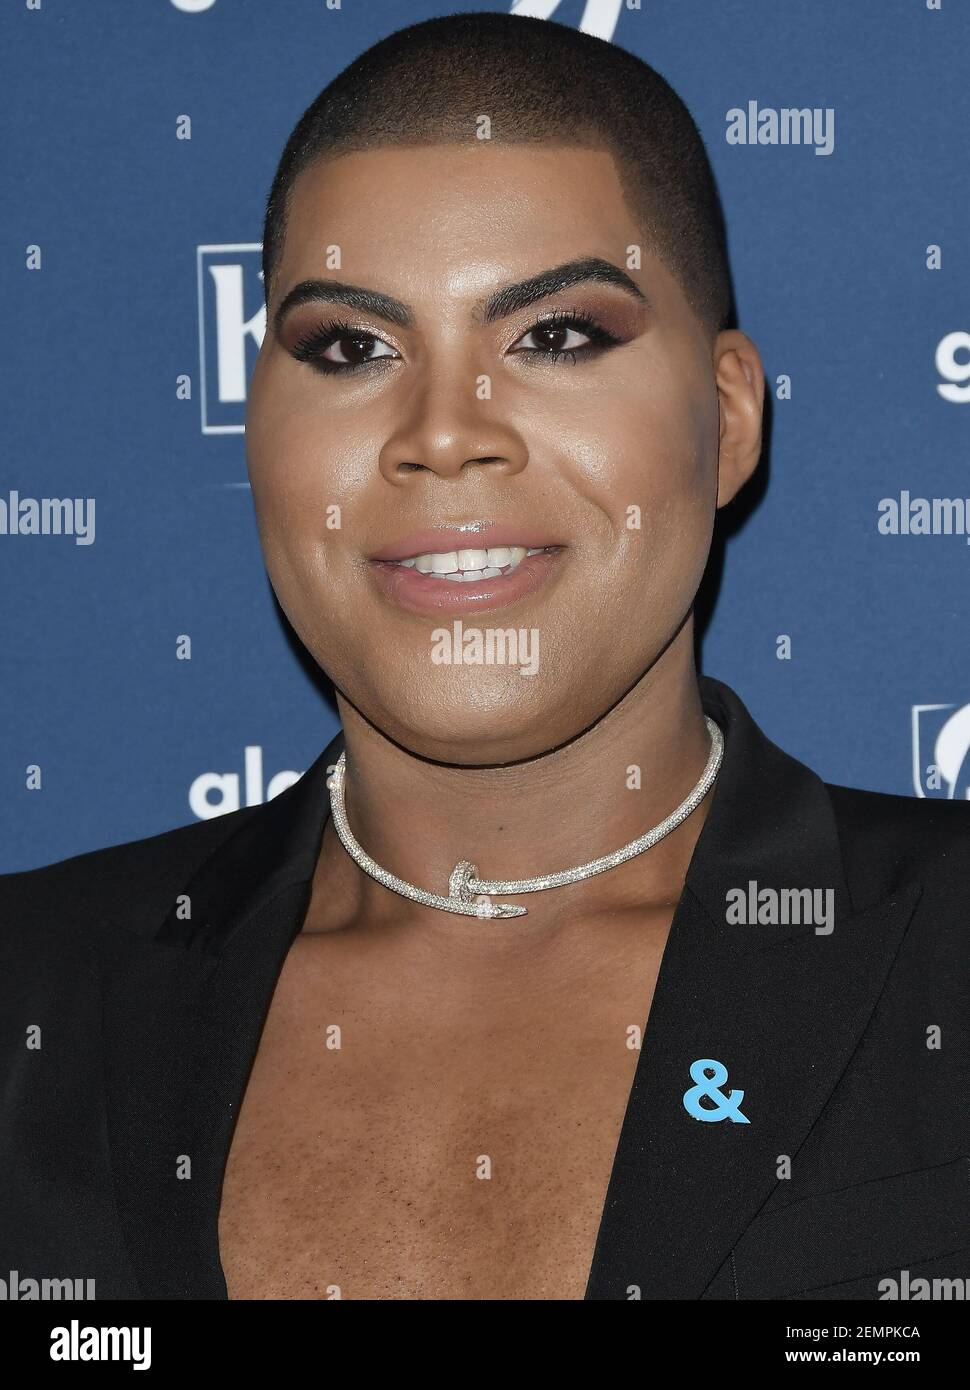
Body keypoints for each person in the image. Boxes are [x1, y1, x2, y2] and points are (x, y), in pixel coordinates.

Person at [1, 12, 967, 1303]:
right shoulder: (34, 992)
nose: (443, 435)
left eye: (555, 335)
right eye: (349, 346)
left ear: (727, 419)